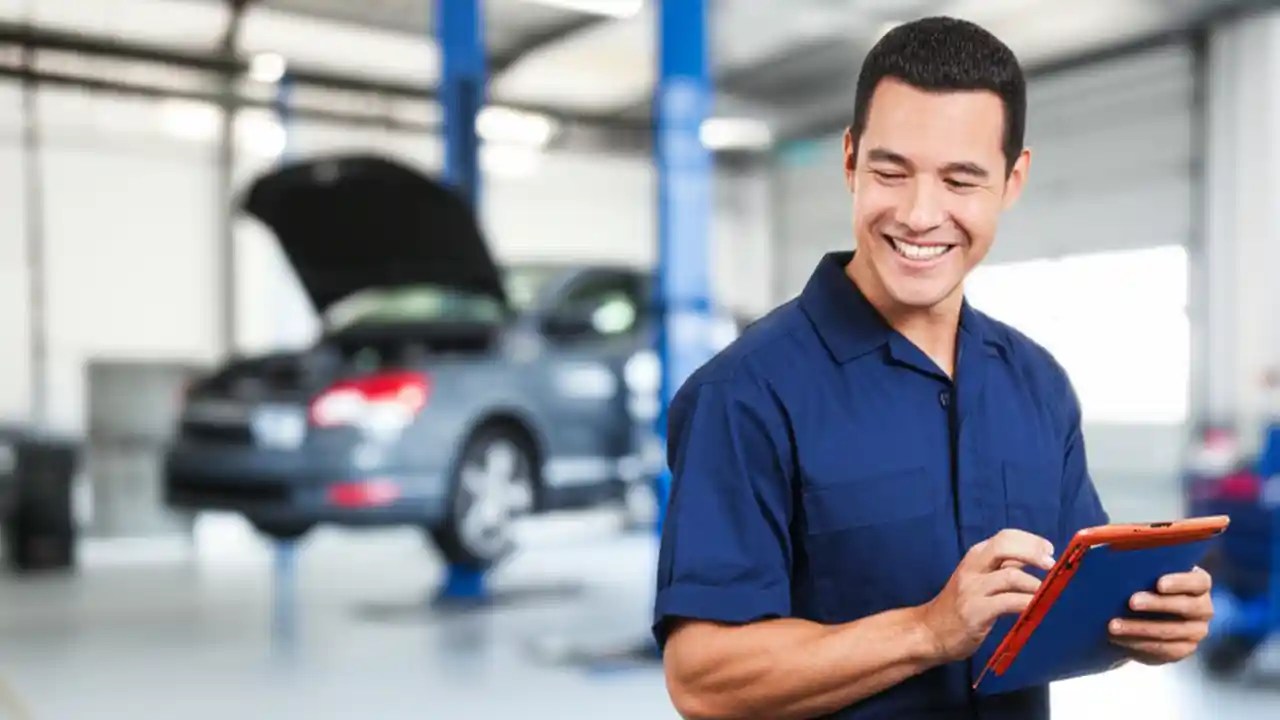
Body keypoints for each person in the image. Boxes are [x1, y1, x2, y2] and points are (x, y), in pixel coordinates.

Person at [653, 16, 1214, 720]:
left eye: (960, 180)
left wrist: (1147, 619)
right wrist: (927, 631)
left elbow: (1069, 604)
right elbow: (703, 680)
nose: (921, 214)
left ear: (1012, 180)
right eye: (891, 172)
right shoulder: (744, 395)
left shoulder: (1036, 383)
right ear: (850, 160)